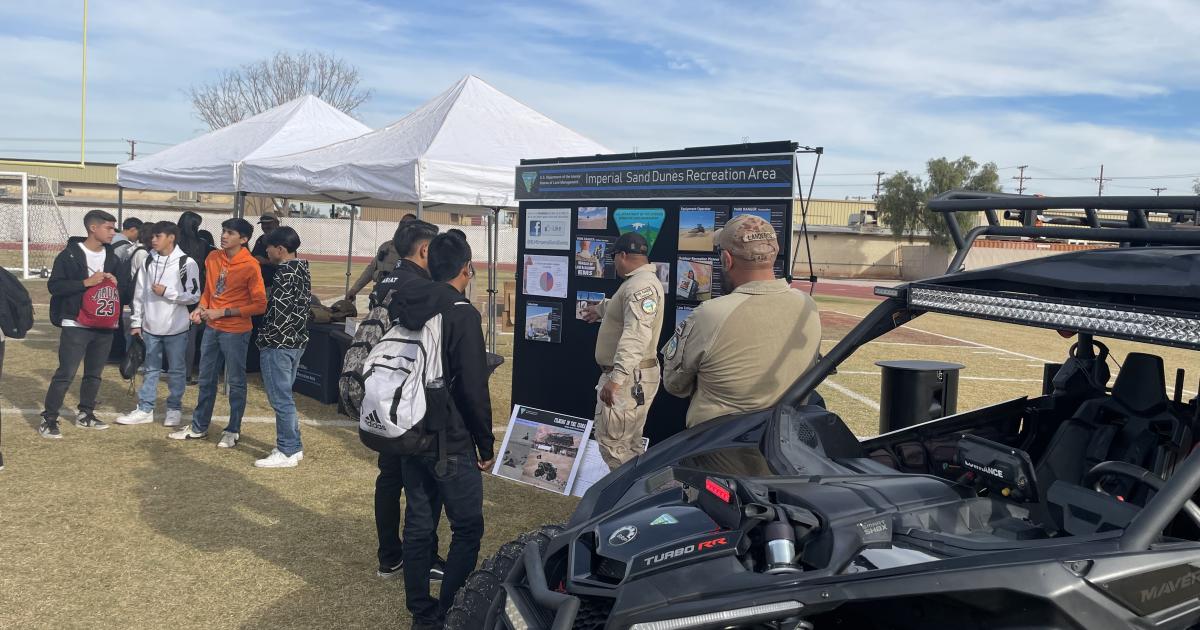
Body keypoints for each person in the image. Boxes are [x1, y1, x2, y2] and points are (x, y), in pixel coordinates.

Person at [390, 232, 493, 630]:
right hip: (449, 437)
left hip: (410, 430)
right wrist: (485, 444)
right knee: (467, 526)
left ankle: (421, 612)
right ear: (467, 268)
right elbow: (471, 386)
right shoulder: (461, 312)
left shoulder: (407, 300)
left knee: (418, 525)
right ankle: (452, 609)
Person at [662, 214, 822, 428]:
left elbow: (674, 384)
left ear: (726, 260)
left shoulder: (711, 314)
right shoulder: (807, 305)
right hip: (784, 446)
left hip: (720, 451)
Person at [367, 219, 444, 579]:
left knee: (388, 477)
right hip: (410, 395)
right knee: (418, 480)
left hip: (380, 391)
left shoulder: (387, 278)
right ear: (425, 249)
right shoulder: (421, 285)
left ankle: (389, 555)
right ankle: (422, 557)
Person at [168, 218, 267, 448]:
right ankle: (199, 426)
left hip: (236, 332)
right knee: (206, 379)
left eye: (230, 233)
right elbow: (209, 292)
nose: (223, 236)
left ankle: (233, 429)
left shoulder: (250, 265)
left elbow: (259, 306)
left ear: (243, 239)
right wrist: (201, 309)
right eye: (223, 231)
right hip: (212, 329)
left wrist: (222, 312)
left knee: (235, 381)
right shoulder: (213, 258)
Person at [581, 232, 665, 469]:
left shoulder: (640, 285)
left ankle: (626, 500)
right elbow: (625, 309)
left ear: (623, 255)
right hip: (634, 375)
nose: (614, 263)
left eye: (615, 258)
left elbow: (637, 334)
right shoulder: (638, 283)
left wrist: (616, 378)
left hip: (629, 378)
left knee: (615, 445)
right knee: (630, 444)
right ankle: (635, 499)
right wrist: (601, 308)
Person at [39, 209, 122, 438]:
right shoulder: (70, 255)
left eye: (113, 228)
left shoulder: (112, 256)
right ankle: (49, 419)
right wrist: (86, 282)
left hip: (104, 325)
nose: (113, 232)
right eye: (109, 228)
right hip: (76, 324)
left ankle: (86, 414)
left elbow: (124, 288)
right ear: (93, 228)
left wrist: (116, 282)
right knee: (66, 373)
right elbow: (55, 286)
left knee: (94, 374)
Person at [116, 221, 202, 427]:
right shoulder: (148, 261)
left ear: (171, 237)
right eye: (152, 236)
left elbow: (194, 295)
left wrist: (168, 292)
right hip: (150, 326)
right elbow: (139, 294)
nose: (153, 240)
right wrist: (136, 322)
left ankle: (174, 408)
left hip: (177, 327)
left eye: (158, 236)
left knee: (177, 370)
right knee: (150, 369)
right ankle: (145, 408)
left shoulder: (186, 262)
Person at [252, 226, 311, 468]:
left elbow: (278, 313)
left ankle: (287, 449)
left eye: (269, 246)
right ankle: (293, 445)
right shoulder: (301, 268)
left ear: (280, 249)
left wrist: (265, 338)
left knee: (281, 398)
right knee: (285, 395)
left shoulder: (284, 273)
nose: (265, 250)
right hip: (296, 341)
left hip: (279, 343)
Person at [177, 211, 215, 384]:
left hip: (173, 290)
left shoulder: (173, 242)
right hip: (194, 290)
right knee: (190, 334)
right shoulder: (202, 244)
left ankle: (172, 369)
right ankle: (185, 374)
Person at [346, 213, 418, 301]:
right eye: (401, 223)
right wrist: (354, 290)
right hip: (378, 295)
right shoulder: (385, 246)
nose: (402, 226)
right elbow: (371, 270)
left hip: (398, 299)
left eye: (407, 224)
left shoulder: (414, 252)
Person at [250, 214, 280, 288]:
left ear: (276, 223)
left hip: (275, 285)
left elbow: (287, 265)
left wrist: (266, 261)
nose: (265, 226)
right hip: (259, 284)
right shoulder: (260, 239)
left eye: (268, 223)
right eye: (263, 224)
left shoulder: (283, 239)